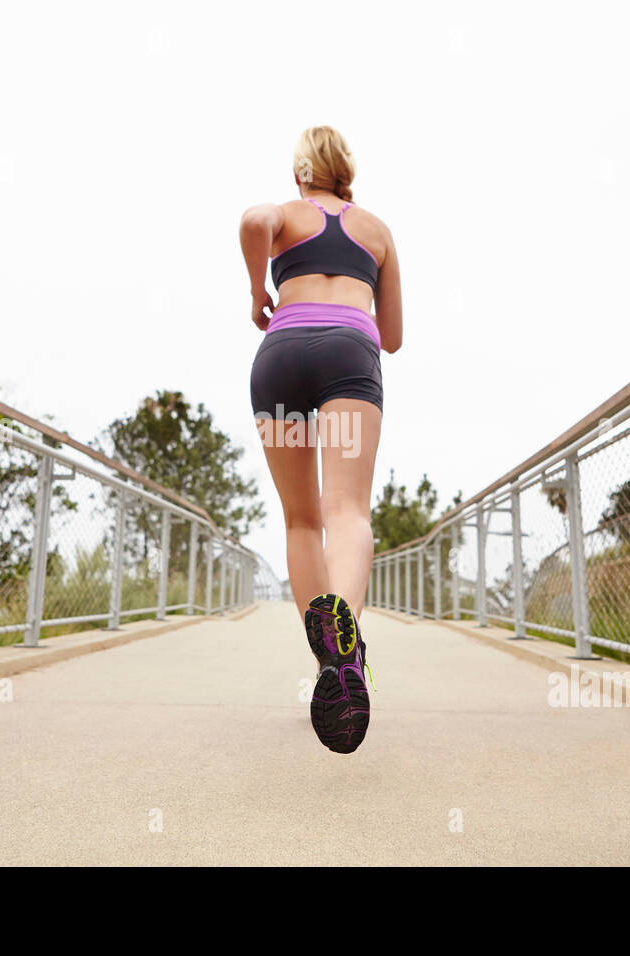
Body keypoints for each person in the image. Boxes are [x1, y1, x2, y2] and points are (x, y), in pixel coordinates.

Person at [239, 126, 403, 754]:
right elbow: (391, 336)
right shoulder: (377, 230)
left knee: (302, 521)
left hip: (279, 353)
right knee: (347, 511)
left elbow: (254, 219)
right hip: (347, 355)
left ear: (303, 172)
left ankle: (326, 666)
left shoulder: (287, 214)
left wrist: (260, 289)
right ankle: (348, 645)